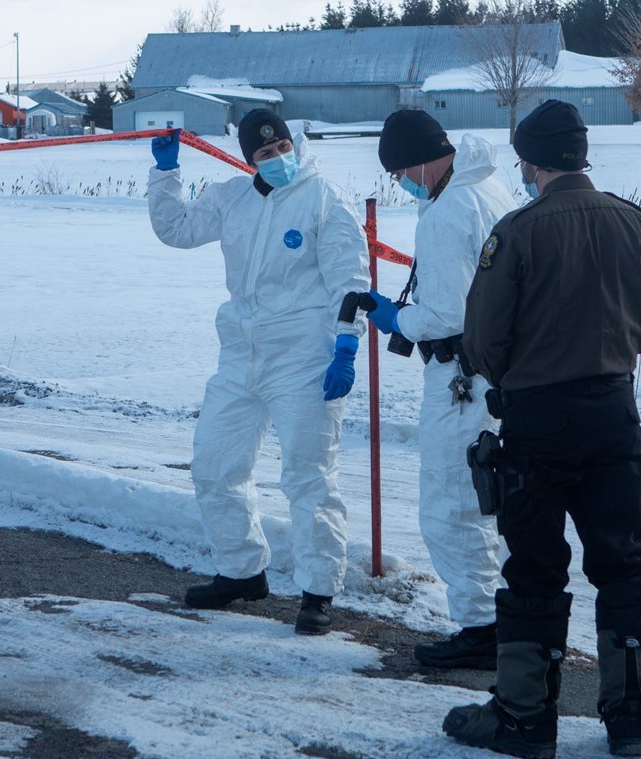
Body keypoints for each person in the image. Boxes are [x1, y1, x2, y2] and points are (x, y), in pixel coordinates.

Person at [443, 100, 641, 758]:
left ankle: (524, 715)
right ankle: (633, 719)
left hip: (538, 420)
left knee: (535, 568)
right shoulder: (635, 222)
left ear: (532, 162)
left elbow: (483, 341)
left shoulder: (516, 232)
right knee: (622, 565)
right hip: (613, 414)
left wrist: (530, 366)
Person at [147, 110, 369, 636]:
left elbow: (350, 279)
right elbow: (176, 229)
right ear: (249, 160)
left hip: (305, 356)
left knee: (307, 474)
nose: (278, 158)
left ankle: (318, 591)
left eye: (283, 147)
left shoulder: (324, 199)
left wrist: (345, 344)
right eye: (265, 154)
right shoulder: (232, 198)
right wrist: (165, 172)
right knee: (215, 464)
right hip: (241, 354)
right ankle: (241, 571)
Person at [365, 110, 518, 670]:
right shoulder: (486, 187)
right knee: (484, 501)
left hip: (463, 377)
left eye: (401, 170)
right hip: (496, 372)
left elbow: (446, 312)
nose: (401, 182)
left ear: (420, 159)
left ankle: (481, 630)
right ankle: (500, 622)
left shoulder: (449, 210)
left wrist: (396, 320)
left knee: (450, 504)